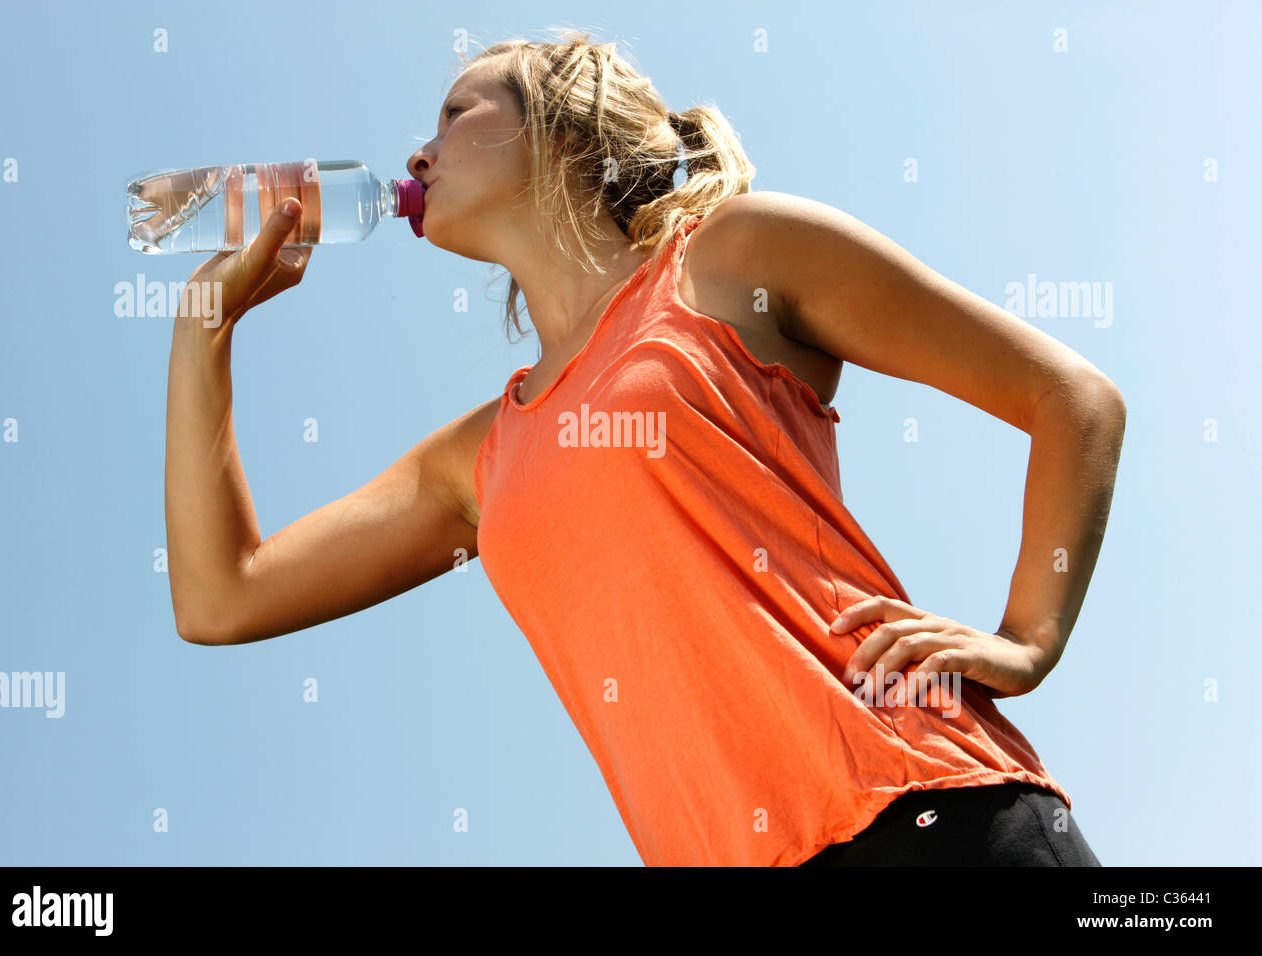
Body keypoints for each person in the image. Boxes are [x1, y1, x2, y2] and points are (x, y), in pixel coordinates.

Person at [164, 29, 1123, 866]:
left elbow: (1072, 398)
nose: (420, 148)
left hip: (928, 811)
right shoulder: (475, 460)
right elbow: (221, 596)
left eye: (456, 112)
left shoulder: (732, 261)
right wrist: (202, 328)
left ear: (564, 125)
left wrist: (1027, 632)